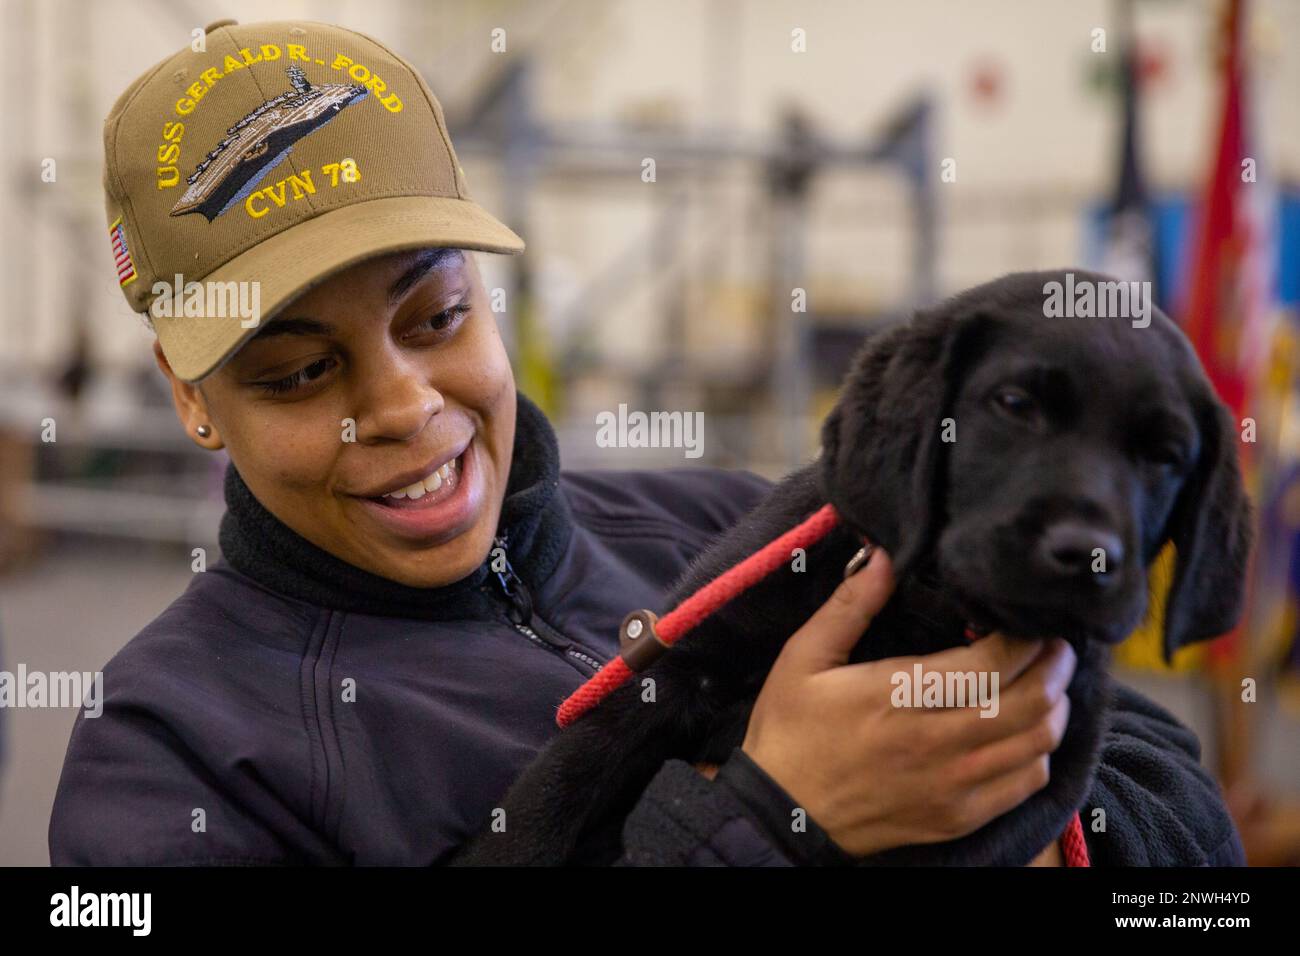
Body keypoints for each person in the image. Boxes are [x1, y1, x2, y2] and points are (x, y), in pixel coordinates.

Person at [49, 18, 1244, 866]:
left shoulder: (733, 525)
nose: (405, 403)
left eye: (438, 316)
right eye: (300, 370)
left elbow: (1185, 809)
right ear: (189, 393)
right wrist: (771, 821)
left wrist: (1031, 821)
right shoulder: (174, 754)